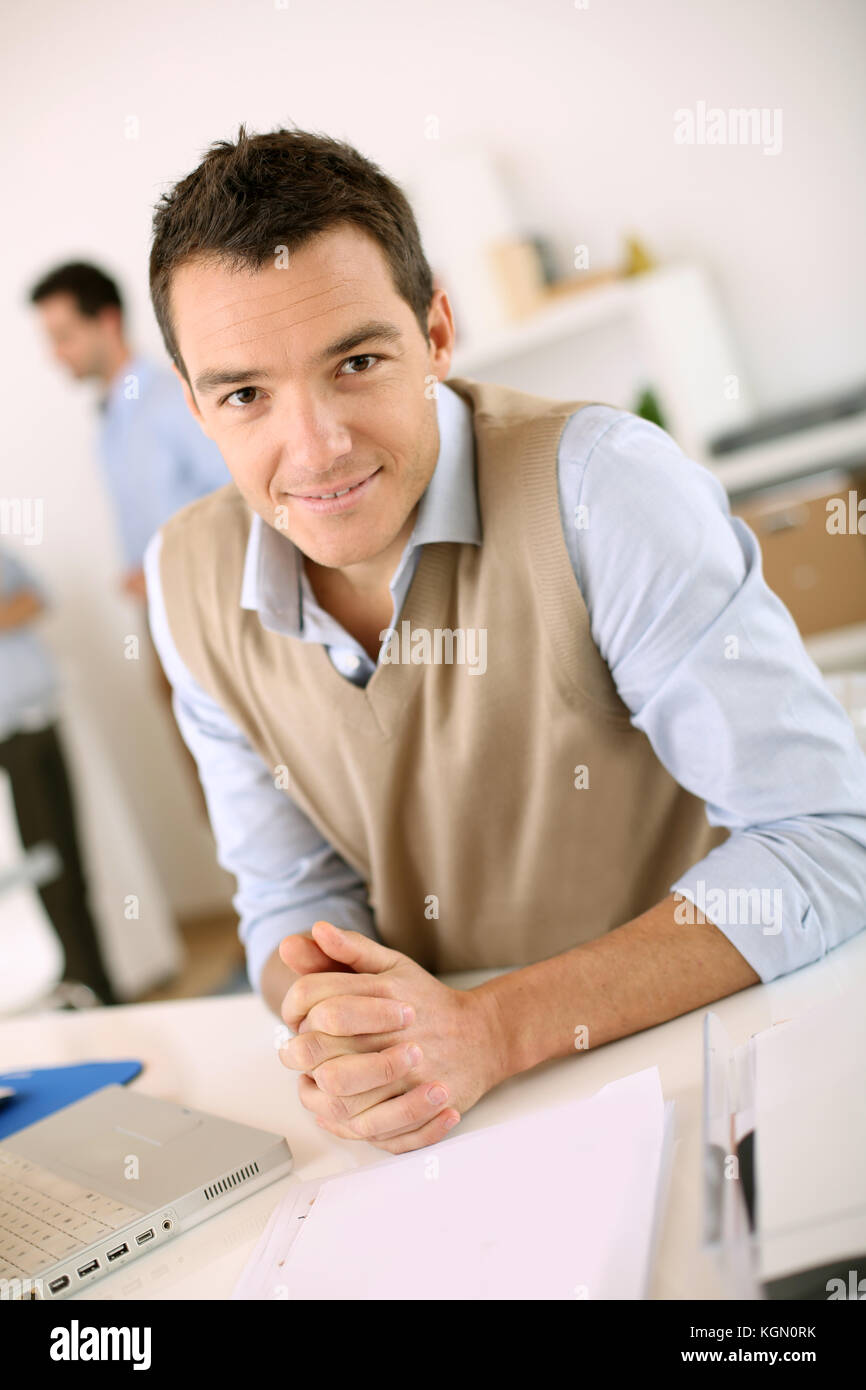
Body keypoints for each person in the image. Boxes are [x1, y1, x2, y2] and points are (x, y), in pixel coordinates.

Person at [143, 124, 866, 1155]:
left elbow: (825, 840)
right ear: (196, 408)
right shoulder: (185, 583)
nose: (313, 447)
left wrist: (490, 1028)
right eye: (246, 394)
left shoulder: (601, 488)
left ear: (436, 332)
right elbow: (291, 897)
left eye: (355, 361)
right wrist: (358, 1034)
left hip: (715, 1048)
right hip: (457, 1117)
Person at [29, 261, 230, 802]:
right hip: (162, 615)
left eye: (63, 336)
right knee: (202, 767)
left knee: (237, 761)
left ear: (108, 321)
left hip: (209, 607)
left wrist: (169, 566)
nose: (55, 353)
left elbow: (239, 495)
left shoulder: (168, 402)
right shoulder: (110, 421)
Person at [0, 546, 117, 1004]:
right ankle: (71, 984)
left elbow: (34, 599)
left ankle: (96, 986)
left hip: (37, 721)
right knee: (36, 876)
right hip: (8, 736)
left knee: (65, 862)